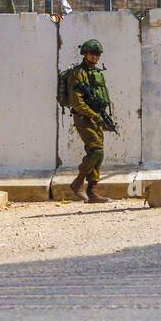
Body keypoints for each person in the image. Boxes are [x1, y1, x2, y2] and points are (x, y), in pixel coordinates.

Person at [67, 38, 113, 204]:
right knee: (96, 151)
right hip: (84, 117)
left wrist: (102, 115)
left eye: (97, 54)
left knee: (98, 153)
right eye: (91, 54)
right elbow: (77, 101)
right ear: (84, 54)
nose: (94, 57)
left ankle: (92, 191)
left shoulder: (97, 73)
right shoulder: (77, 73)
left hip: (97, 117)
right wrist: (93, 114)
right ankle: (78, 182)